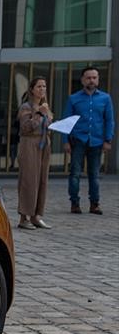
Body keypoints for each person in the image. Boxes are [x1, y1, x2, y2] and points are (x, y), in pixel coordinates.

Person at [63, 66, 114, 215]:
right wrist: (65, 141)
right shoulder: (73, 98)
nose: (91, 80)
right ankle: (74, 203)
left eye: (94, 78)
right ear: (82, 80)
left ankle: (94, 204)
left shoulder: (105, 98)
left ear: (98, 79)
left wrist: (108, 140)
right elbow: (67, 121)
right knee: (75, 173)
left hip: (97, 141)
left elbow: (109, 120)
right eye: (88, 78)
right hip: (78, 141)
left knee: (94, 175)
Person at [15, 76, 53, 230]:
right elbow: (25, 128)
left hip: (44, 144)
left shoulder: (45, 106)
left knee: (42, 180)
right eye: (39, 86)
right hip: (29, 144)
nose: (42, 89)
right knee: (29, 180)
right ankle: (24, 217)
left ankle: (36, 216)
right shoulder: (26, 107)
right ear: (32, 89)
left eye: (44, 86)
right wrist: (38, 114)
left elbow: (47, 125)